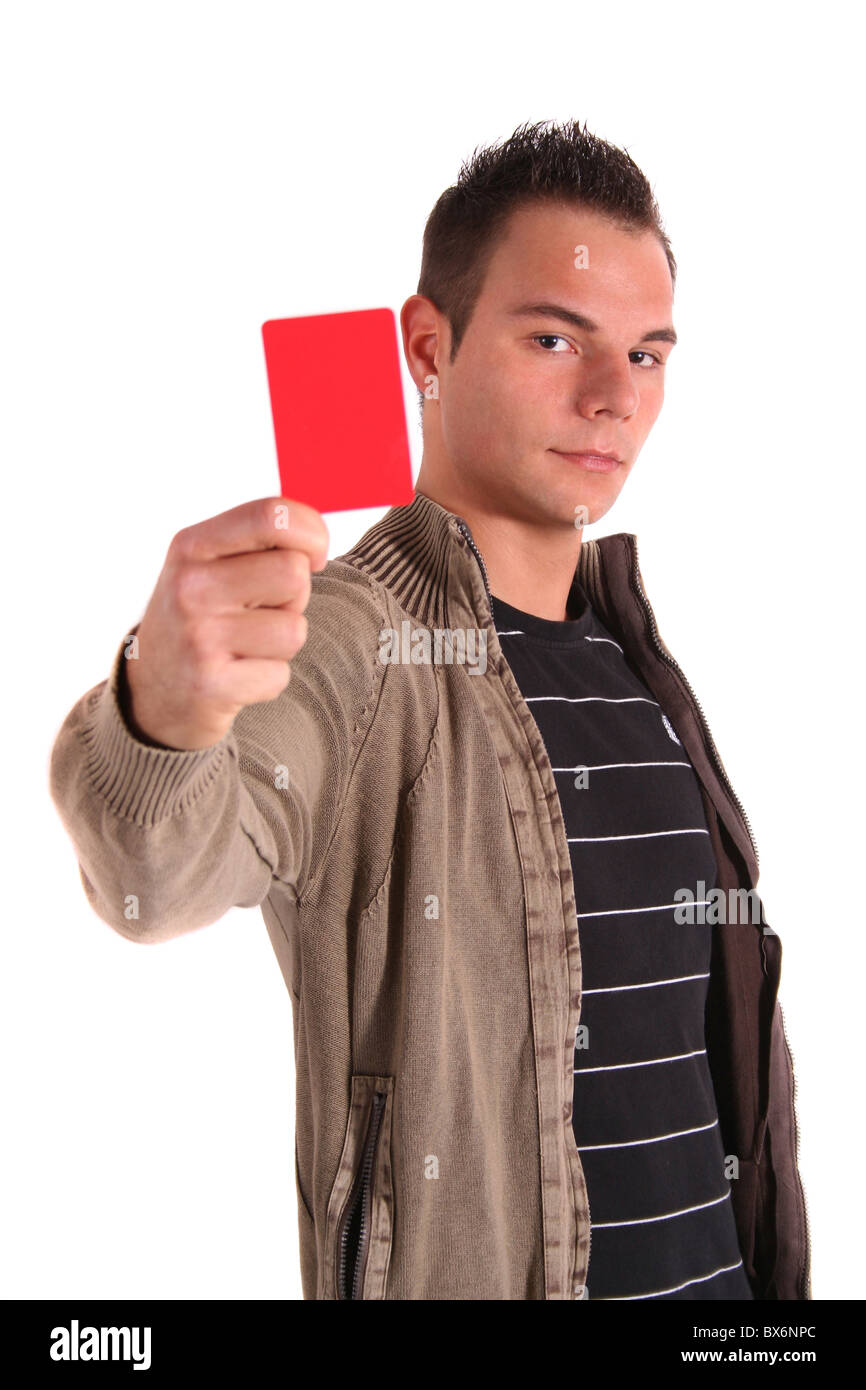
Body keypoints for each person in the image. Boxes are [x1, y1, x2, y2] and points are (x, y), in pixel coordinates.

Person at [49, 118, 810, 1300]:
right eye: (555, 338)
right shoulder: (348, 643)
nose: (612, 397)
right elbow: (155, 868)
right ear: (426, 344)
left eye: (647, 355)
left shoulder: (633, 658)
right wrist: (164, 708)